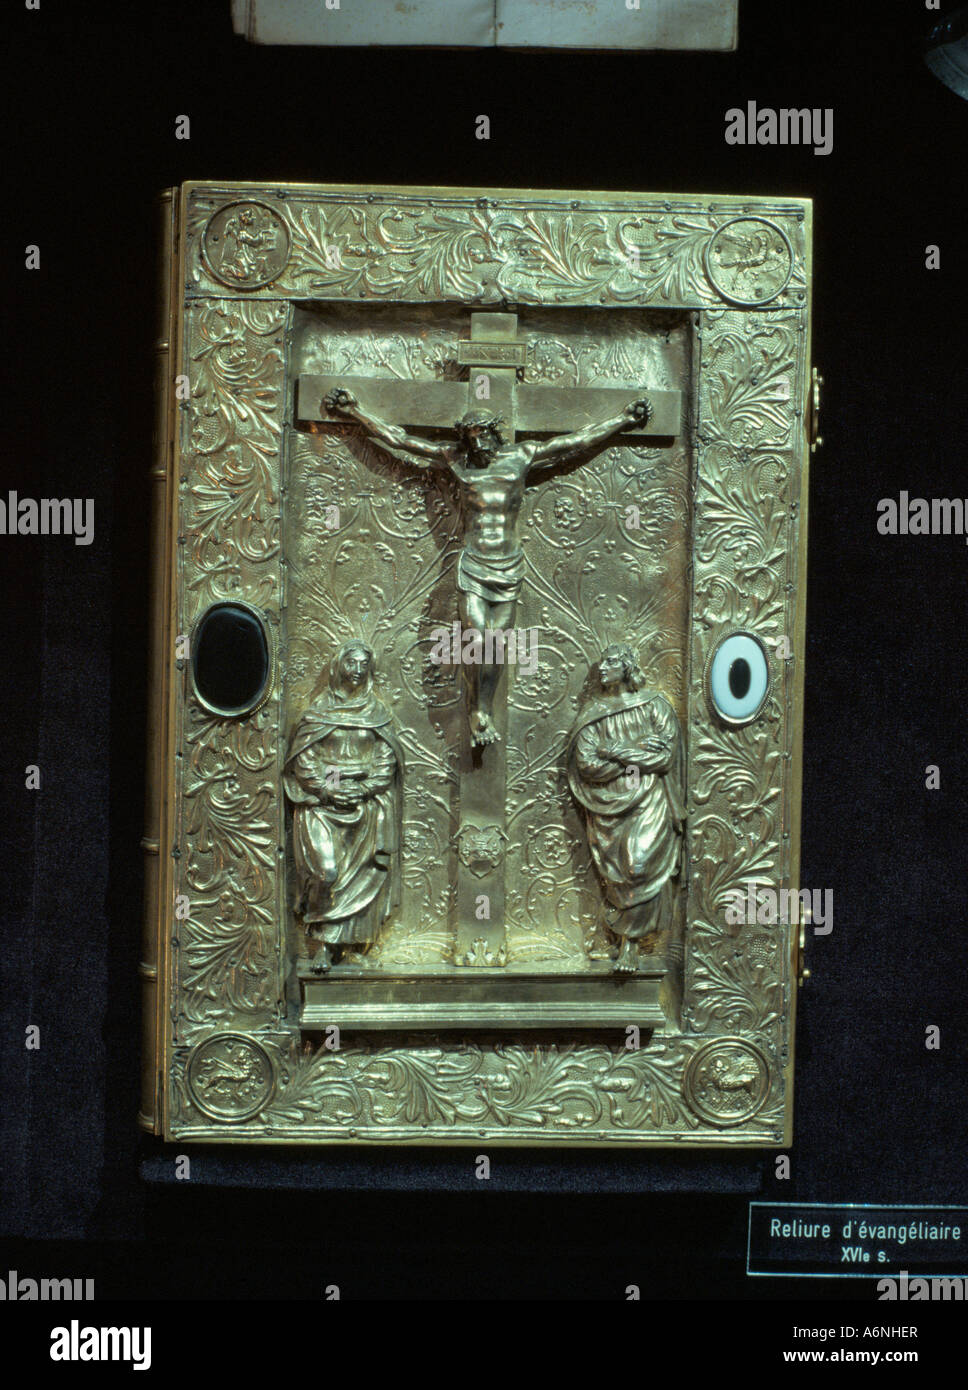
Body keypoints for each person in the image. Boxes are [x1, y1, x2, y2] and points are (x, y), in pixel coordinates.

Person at [283, 641, 404, 972]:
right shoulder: (317, 714)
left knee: (364, 878)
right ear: (338, 666)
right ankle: (320, 941)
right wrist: (333, 787)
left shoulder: (376, 714)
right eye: (352, 662)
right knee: (327, 872)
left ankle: (348, 947)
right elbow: (306, 761)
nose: (358, 669)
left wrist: (363, 786)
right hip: (321, 806)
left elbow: (385, 759)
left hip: (365, 807)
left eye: (365, 664)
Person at [566, 644, 685, 973]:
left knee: (638, 863)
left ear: (628, 667)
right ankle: (622, 942)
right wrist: (635, 754)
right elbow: (587, 765)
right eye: (602, 661)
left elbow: (664, 758)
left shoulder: (654, 706)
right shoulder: (594, 712)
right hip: (608, 805)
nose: (603, 667)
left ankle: (631, 944)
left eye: (612, 661)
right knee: (618, 874)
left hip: (649, 801)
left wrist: (616, 751)